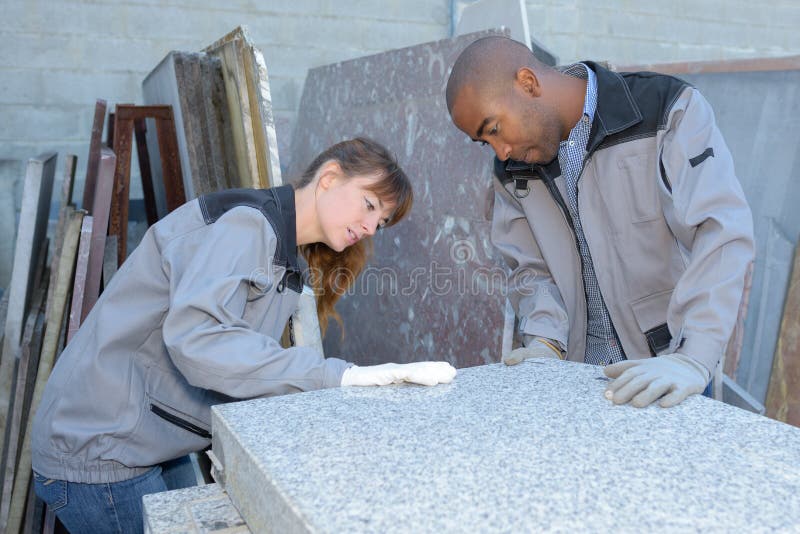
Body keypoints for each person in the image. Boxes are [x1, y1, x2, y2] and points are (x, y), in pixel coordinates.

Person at [31, 137, 456, 533]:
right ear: (329, 177)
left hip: (143, 441)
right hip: (97, 450)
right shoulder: (248, 226)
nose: (370, 227)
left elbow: (242, 359)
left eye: (380, 222)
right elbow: (199, 340)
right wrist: (336, 376)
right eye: (369, 204)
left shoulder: (281, 249)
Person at [445, 36, 753, 409]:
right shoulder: (512, 170)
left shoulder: (667, 110)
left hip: (666, 371)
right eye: (485, 142)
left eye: (493, 129)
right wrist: (545, 342)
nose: (500, 150)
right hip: (575, 382)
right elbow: (531, 269)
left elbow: (721, 232)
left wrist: (693, 356)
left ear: (528, 83)